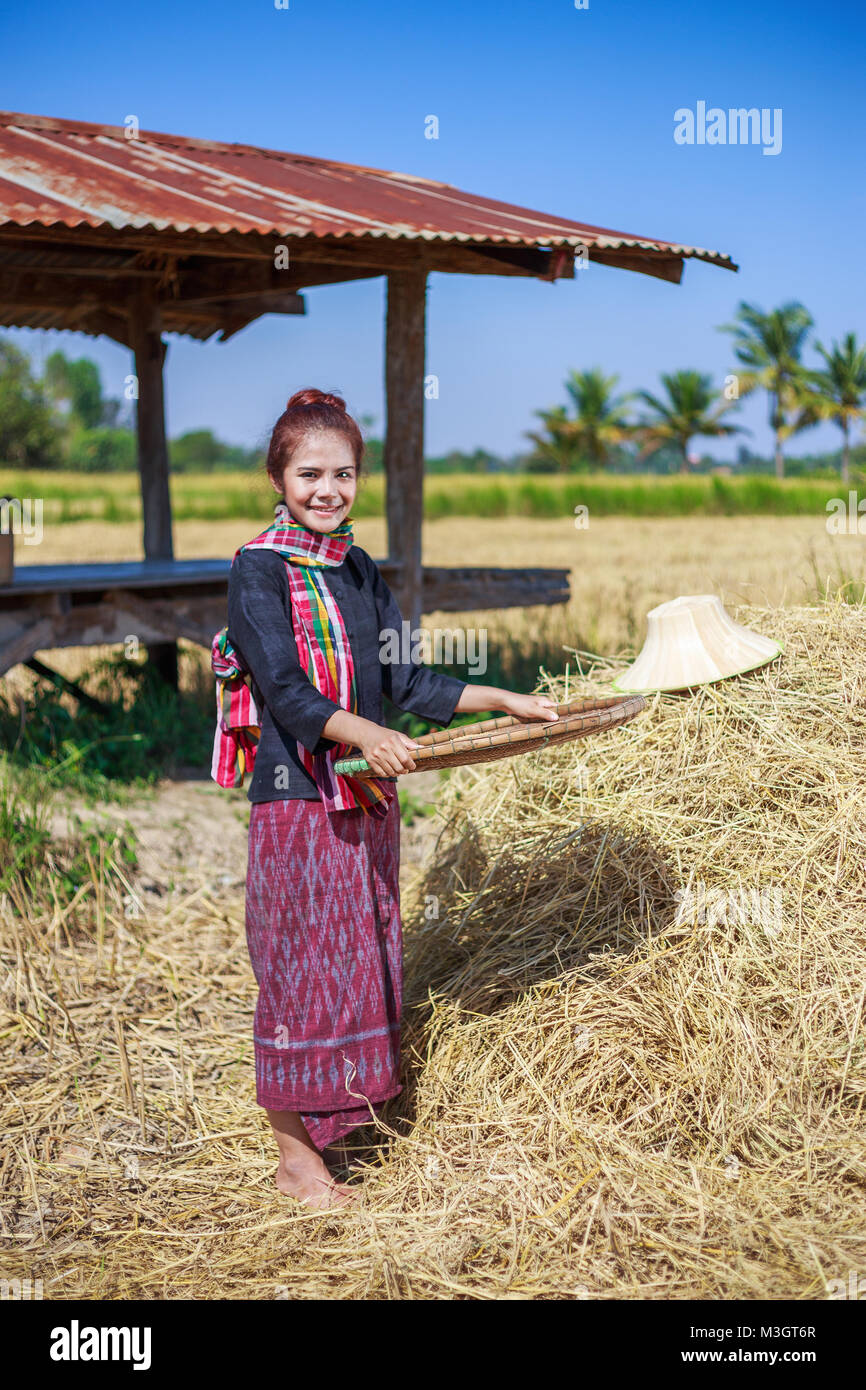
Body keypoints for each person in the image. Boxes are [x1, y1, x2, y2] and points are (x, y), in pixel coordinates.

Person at [214, 387, 557, 1209]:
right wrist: (363, 735)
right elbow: (287, 692)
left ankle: (344, 1123)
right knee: (299, 970)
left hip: (365, 796)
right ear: (277, 476)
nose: (327, 490)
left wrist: (500, 699)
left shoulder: (359, 569)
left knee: (358, 955)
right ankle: (295, 1159)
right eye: (309, 474)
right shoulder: (258, 569)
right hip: (299, 799)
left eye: (344, 474)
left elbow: (403, 677)